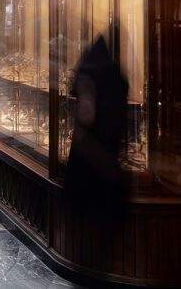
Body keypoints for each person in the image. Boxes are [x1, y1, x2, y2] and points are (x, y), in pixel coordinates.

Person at [64, 30, 129, 258]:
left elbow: (87, 115)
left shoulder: (91, 77)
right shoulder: (110, 81)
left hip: (90, 165)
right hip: (97, 165)